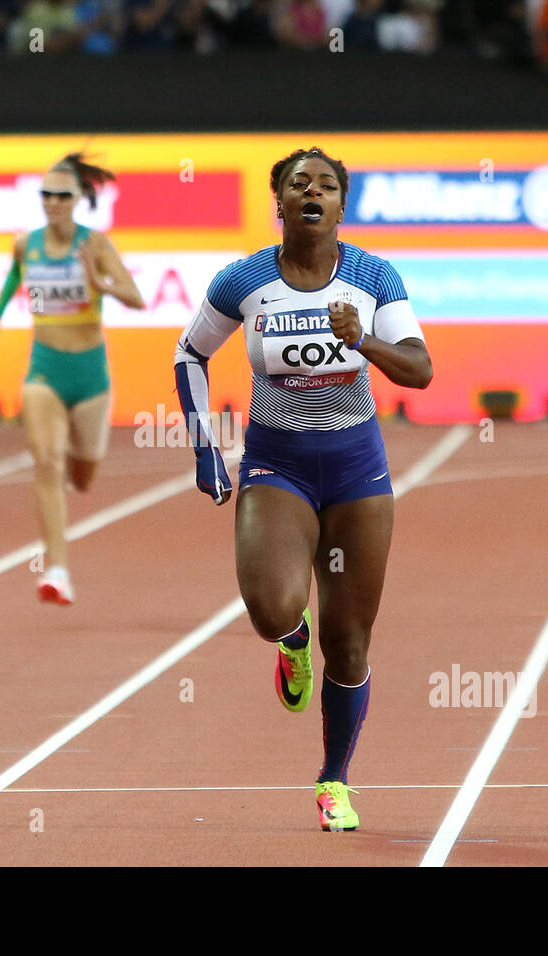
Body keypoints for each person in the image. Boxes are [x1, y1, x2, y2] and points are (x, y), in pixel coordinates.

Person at [173, 147, 432, 831]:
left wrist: (367, 341)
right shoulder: (246, 280)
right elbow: (189, 352)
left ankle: (334, 780)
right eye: (297, 184)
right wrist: (205, 446)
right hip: (276, 465)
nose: (311, 192)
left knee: (349, 642)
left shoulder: (375, 276)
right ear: (279, 203)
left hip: (356, 472)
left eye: (326, 185)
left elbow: (420, 370)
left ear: (342, 206)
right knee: (269, 610)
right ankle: (291, 642)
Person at [0, 152, 144, 605]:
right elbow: (14, 276)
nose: (52, 202)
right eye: (45, 194)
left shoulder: (95, 245)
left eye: (61, 195)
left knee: (82, 475)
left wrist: (100, 284)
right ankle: (57, 569)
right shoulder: (24, 243)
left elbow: (137, 297)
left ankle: (73, 453)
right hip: (44, 368)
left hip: (89, 375)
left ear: (77, 199)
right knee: (45, 461)